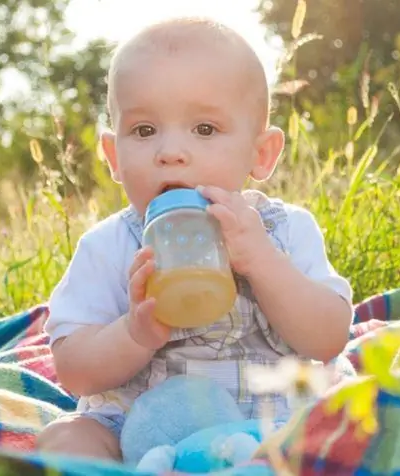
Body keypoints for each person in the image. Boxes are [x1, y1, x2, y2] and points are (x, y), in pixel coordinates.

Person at [35, 16, 354, 462]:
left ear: (260, 154)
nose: (170, 152)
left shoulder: (284, 230)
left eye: (205, 129)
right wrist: (133, 332)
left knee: (350, 422)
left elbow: (329, 337)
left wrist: (263, 261)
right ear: (113, 156)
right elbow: (75, 372)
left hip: (271, 419)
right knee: (67, 438)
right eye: (144, 130)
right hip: (139, 427)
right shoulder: (108, 246)